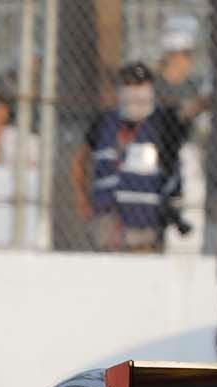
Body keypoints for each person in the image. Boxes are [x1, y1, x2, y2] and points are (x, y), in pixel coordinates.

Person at [72, 63, 187, 253]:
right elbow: (79, 160)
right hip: (107, 219)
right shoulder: (105, 121)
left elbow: (189, 111)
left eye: (140, 84)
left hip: (146, 221)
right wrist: (82, 197)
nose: (134, 91)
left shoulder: (163, 122)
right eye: (129, 84)